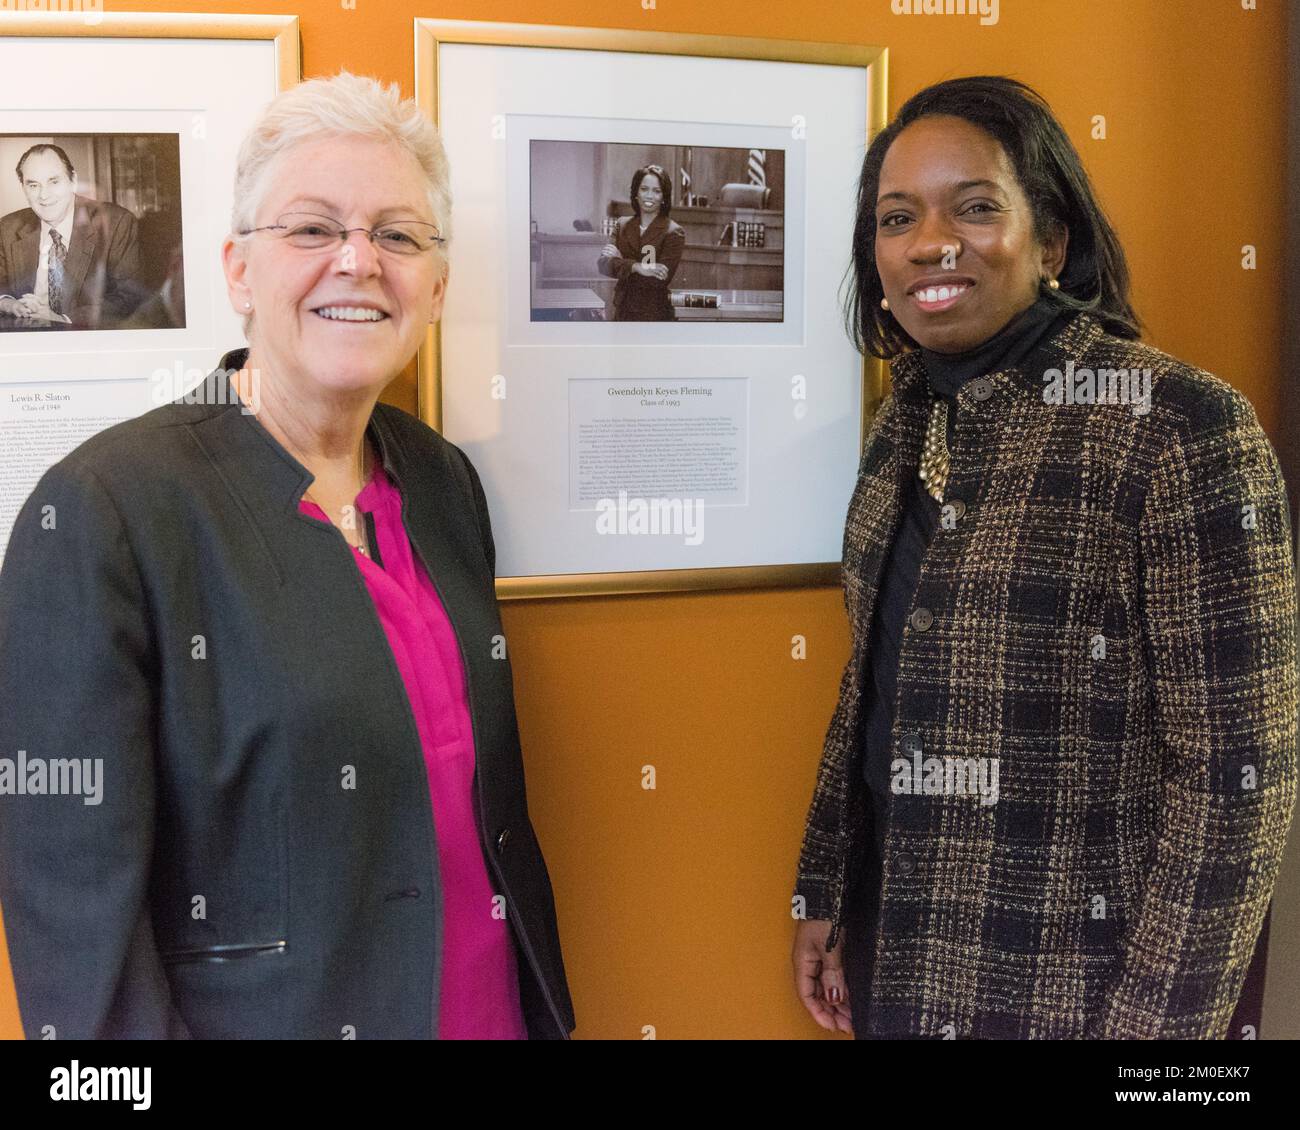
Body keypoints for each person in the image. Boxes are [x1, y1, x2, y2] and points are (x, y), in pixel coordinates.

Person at [0, 72, 575, 1039]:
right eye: (311, 229)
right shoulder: (104, 512)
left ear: (434, 286)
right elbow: (77, 939)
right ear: (236, 271)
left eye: (396, 235)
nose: (357, 261)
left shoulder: (441, 482)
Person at [791, 75, 1297, 1039]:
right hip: (899, 947)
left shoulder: (1181, 427)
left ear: (1053, 241)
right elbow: (874, 682)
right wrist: (825, 889)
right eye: (897, 218)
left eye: (976, 208)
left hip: (1081, 993)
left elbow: (1240, 785)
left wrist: (1155, 1045)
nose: (931, 243)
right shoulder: (904, 422)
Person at [0, 143, 143, 328]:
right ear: (23, 187)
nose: (44, 195)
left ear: (73, 180)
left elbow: (128, 297)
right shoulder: (7, 227)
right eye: (33, 185)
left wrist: (63, 318)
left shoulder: (117, 223)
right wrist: (7, 302)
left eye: (54, 181)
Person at [597, 163, 686, 321]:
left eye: (656, 191)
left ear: (664, 197)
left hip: (654, 314)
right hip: (622, 311)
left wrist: (621, 260)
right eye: (644, 189)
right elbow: (603, 265)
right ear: (636, 193)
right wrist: (638, 266)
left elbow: (657, 281)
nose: (649, 196)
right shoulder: (622, 224)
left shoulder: (673, 231)